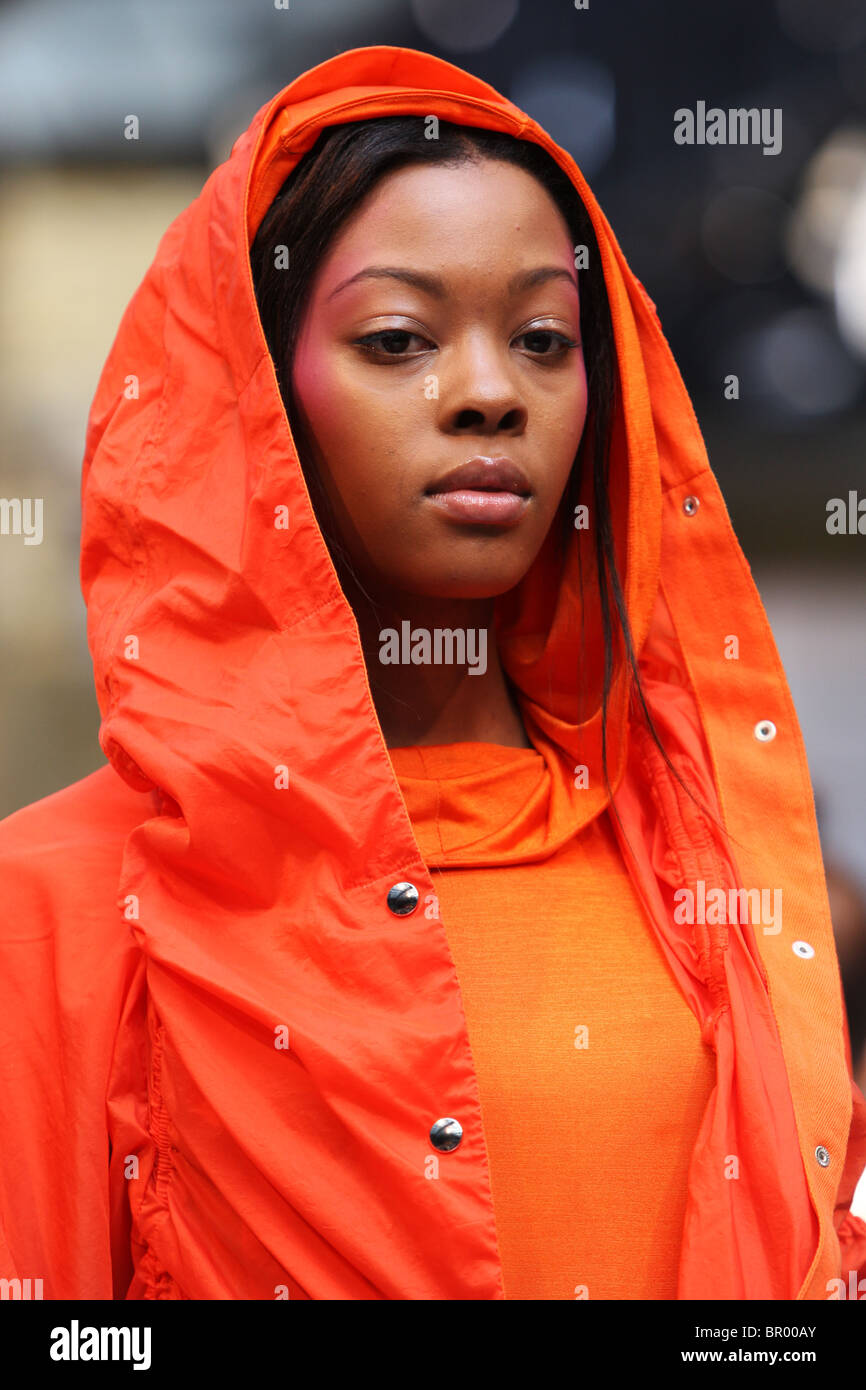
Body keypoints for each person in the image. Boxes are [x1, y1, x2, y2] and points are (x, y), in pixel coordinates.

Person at [1, 44, 864, 1302]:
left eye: (542, 339)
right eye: (399, 338)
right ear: (260, 399)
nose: (486, 394)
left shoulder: (712, 875)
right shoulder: (65, 904)